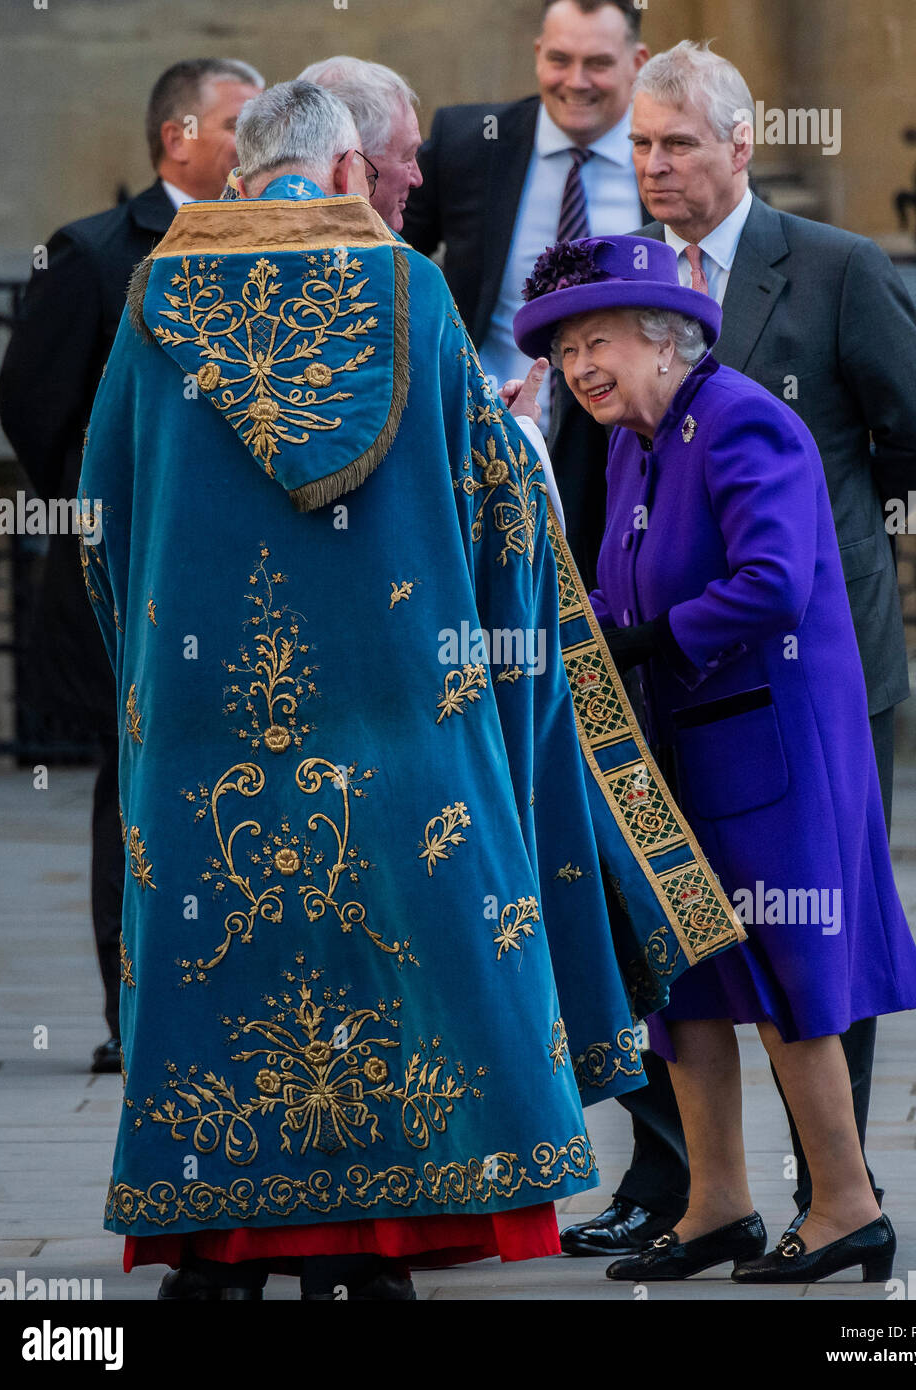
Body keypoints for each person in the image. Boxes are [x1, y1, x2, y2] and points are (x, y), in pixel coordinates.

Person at [78, 81, 742, 1300]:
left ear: (243, 175)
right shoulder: (410, 292)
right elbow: (502, 519)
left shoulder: (153, 296)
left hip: (199, 742)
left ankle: (218, 1246)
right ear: (344, 176)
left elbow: (101, 526)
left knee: (227, 976)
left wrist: (144, 692)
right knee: (389, 973)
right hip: (401, 733)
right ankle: (374, 1248)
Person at [557, 40, 916, 1259]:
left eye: (676, 141)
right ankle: (710, 1197)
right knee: (686, 968)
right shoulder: (631, 401)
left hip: (785, 694)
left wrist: (812, 544)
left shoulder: (825, 278)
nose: (653, 163)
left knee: (801, 957)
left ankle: (838, 1195)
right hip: (681, 707)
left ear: (741, 143)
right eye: (638, 143)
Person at [0, 57, 264, 1075]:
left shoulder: (264, 248)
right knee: (138, 791)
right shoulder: (96, 252)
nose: (258, 139)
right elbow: (34, 407)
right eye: (241, 122)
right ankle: (132, 1009)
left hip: (242, 590)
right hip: (131, 578)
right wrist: (126, 498)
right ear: (178, 138)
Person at [402, 0, 650, 585]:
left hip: (625, 456)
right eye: (560, 60)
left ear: (637, 62)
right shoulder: (470, 143)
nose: (576, 81)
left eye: (598, 63)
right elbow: (385, 246)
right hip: (483, 444)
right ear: (538, 54)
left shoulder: (664, 156)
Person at [299, 56, 423, 233]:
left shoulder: (252, 246)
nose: (417, 179)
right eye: (407, 157)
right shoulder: (388, 261)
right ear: (348, 168)